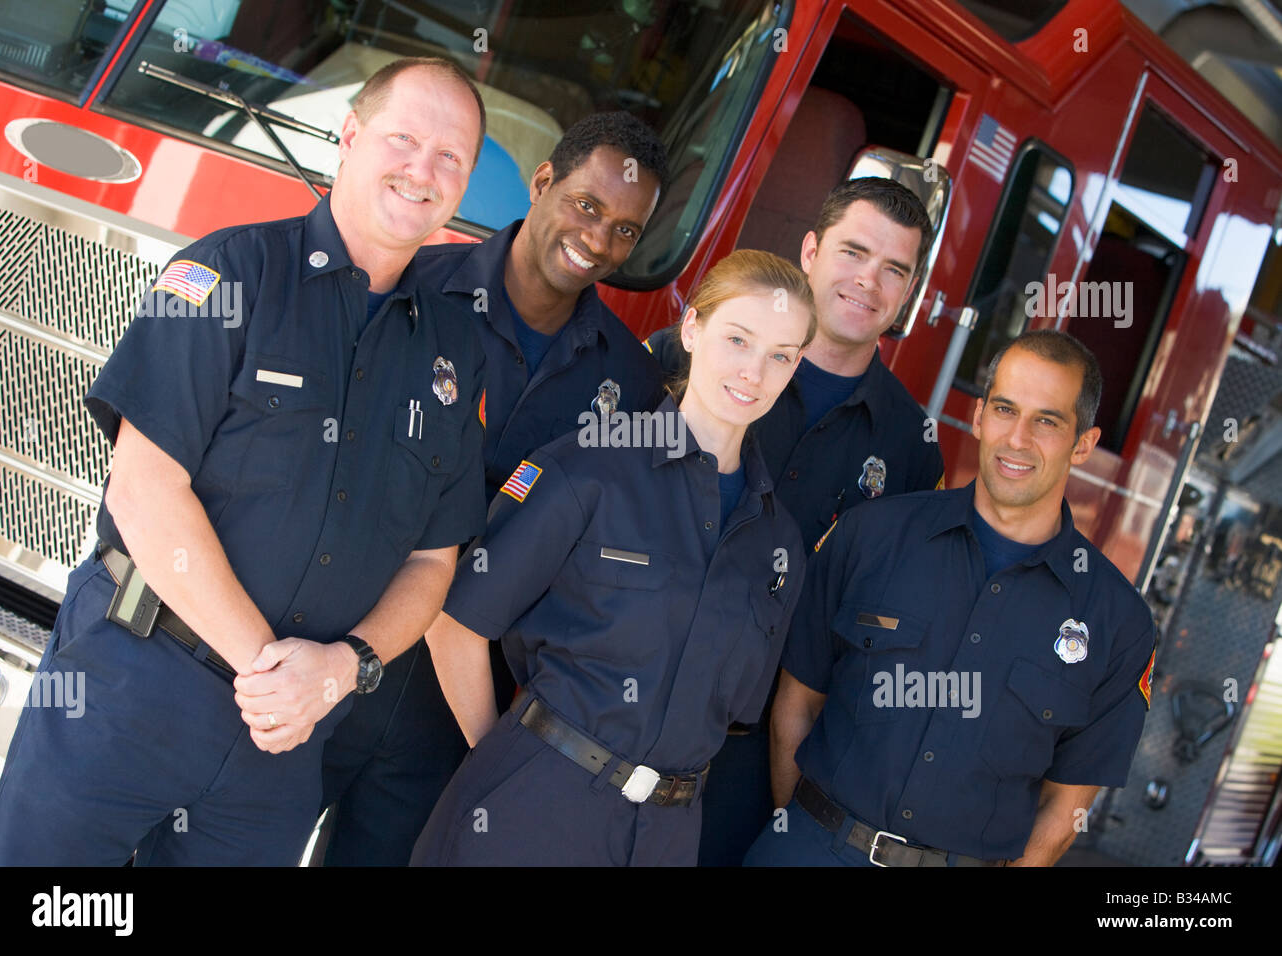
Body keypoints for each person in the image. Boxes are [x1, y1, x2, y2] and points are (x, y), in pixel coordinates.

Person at [0, 57, 488, 866]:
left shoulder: (455, 356)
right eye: (403, 139)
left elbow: (433, 559)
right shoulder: (230, 273)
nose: (421, 170)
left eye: (450, 158)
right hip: (135, 683)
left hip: (286, 745)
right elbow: (145, 489)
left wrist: (342, 668)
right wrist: (270, 671)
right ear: (350, 139)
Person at [319, 111, 668, 865]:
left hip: (456, 704)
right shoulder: (415, 289)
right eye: (587, 205)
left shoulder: (632, 383)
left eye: (627, 231)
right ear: (542, 181)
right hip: (330, 651)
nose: (601, 240)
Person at [409, 250, 814, 866]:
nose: (753, 372)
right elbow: (455, 622)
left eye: (780, 356)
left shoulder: (779, 544)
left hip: (666, 837)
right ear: (694, 327)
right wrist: (510, 757)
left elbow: (731, 717)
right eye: (738, 339)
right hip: (533, 805)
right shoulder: (587, 468)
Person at [746, 329, 1156, 867]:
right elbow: (796, 705)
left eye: (1047, 421)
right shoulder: (870, 536)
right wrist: (805, 834)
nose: (1017, 437)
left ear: (1083, 443)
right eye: (1006, 410)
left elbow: (1064, 808)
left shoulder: (1117, 622)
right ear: (981, 416)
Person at [644, 176, 945, 865]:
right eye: (853, 252)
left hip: (753, 745)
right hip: (623, 700)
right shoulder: (689, 355)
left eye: (894, 270)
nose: (869, 281)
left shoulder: (911, 446)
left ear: (909, 293)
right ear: (810, 250)